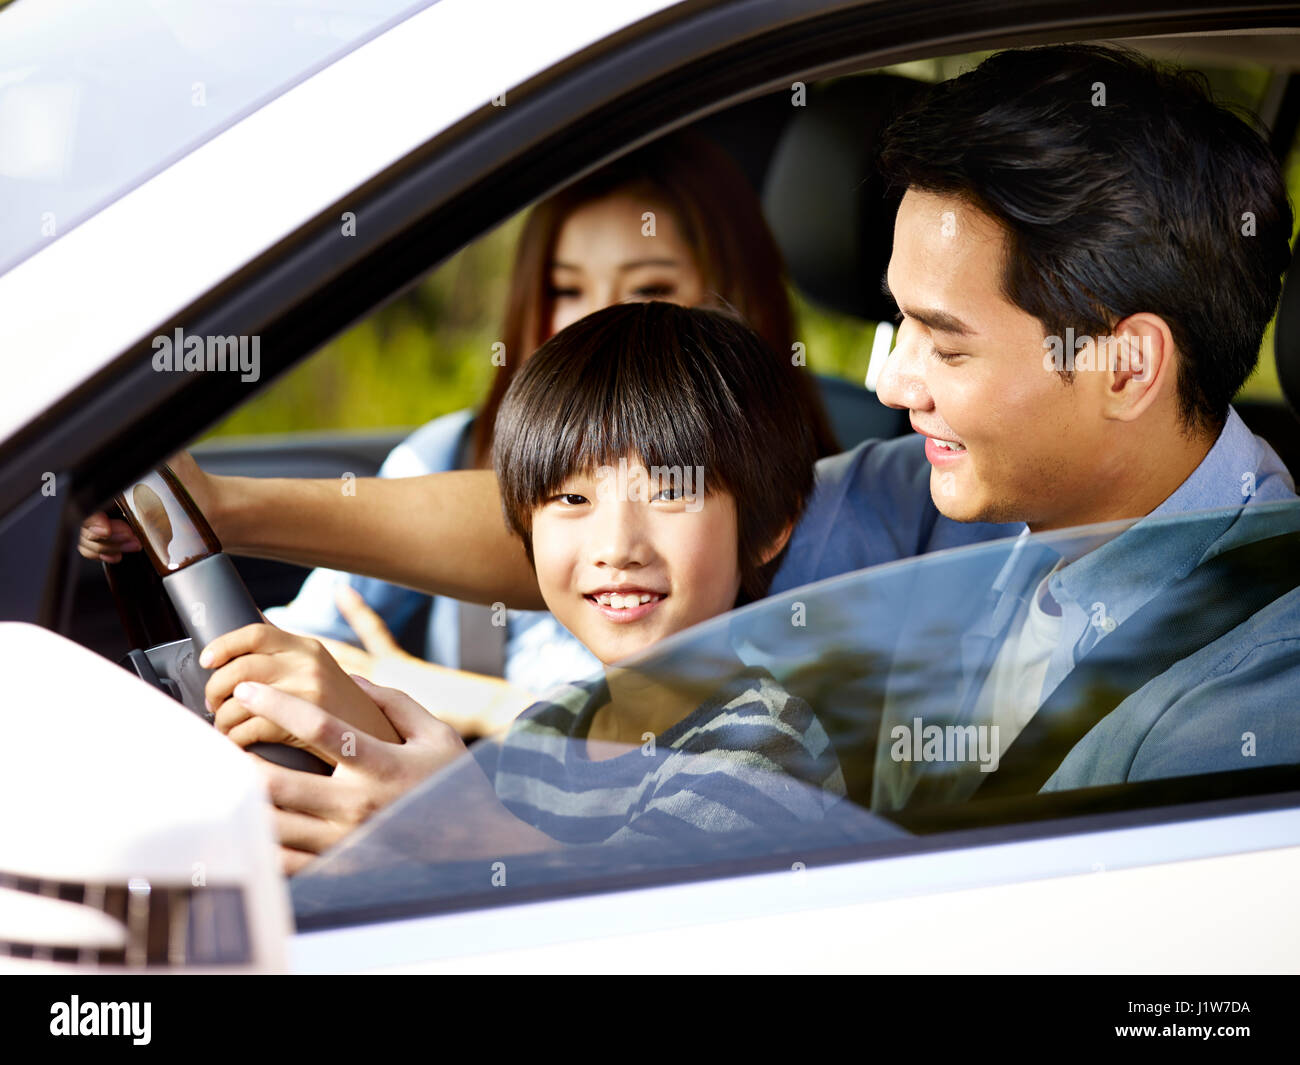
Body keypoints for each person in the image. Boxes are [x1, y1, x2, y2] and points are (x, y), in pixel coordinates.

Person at [82, 44, 1299, 846]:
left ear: (1124, 364)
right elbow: (615, 525)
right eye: (893, 326)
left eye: (944, 342)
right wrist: (221, 505)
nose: (900, 383)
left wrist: (463, 841)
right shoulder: (987, 499)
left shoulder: (1239, 697)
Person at [205, 302, 845, 870]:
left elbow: (640, 932)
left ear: (769, 529)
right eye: (572, 497)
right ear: (524, 527)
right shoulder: (554, 725)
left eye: (671, 493)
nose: (617, 547)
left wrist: (468, 834)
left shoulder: (766, 752)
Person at [262, 129, 839, 732]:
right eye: (567, 289)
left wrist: (454, 701)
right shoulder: (449, 454)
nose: (599, 317)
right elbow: (311, 639)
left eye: (648, 289)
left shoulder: (804, 519)